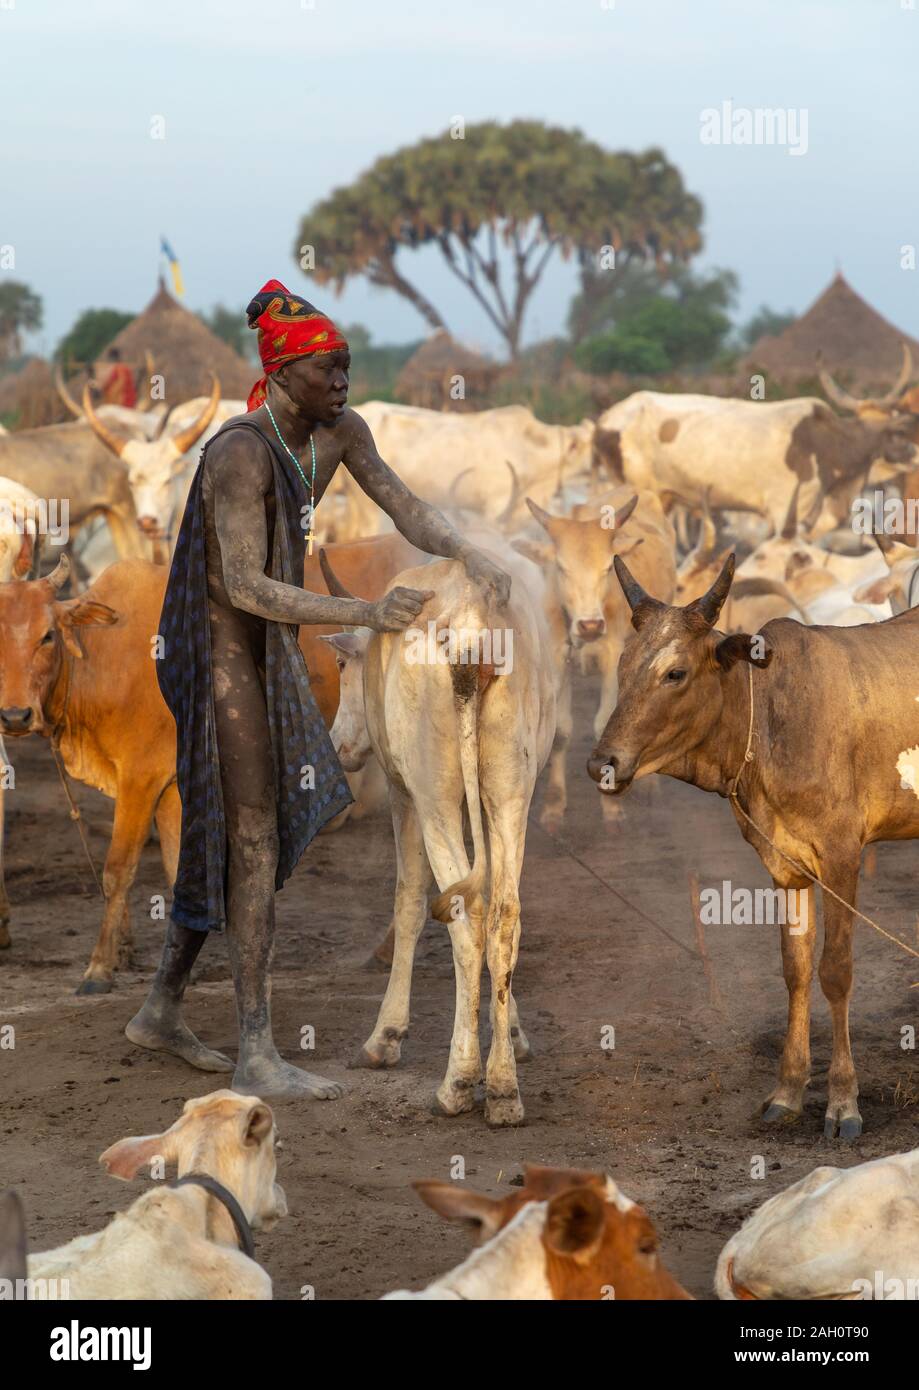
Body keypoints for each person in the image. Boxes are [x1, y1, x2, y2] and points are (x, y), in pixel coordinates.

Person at [126, 279, 510, 1101]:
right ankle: (256, 1049)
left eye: (345, 365)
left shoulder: (340, 433)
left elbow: (406, 508)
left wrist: (473, 553)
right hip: (216, 641)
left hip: (265, 640)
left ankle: (160, 1007)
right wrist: (365, 612)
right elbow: (242, 584)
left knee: (228, 828)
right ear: (282, 374)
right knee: (253, 833)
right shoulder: (238, 453)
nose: (341, 379)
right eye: (327, 368)